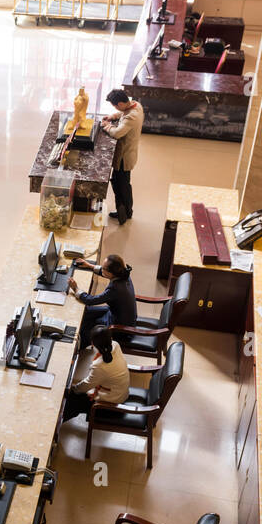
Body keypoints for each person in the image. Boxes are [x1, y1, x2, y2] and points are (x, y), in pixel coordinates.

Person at [62, 326, 129, 423]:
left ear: (92, 343)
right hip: (121, 393)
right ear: (110, 338)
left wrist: (72, 389)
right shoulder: (116, 345)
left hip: (110, 403)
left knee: (73, 402)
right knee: (74, 395)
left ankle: (54, 426)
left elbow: (86, 386)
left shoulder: (100, 366)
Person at [68, 253, 136, 346]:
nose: (102, 269)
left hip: (119, 327)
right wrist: (89, 265)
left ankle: (79, 346)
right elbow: (106, 273)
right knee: (85, 311)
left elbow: (91, 300)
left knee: (85, 327)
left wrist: (75, 288)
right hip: (118, 313)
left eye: (104, 268)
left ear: (111, 272)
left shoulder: (115, 288)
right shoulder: (124, 274)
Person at [100, 89, 144, 225]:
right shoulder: (135, 104)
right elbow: (122, 112)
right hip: (127, 152)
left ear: (120, 103)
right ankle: (122, 209)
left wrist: (107, 126)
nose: (115, 108)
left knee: (123, 184)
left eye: (115, 106)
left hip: (125, 155)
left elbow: (118, 133)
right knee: (118, 181)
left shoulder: (132, 116)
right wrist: (113, 117)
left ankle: (126, 211)